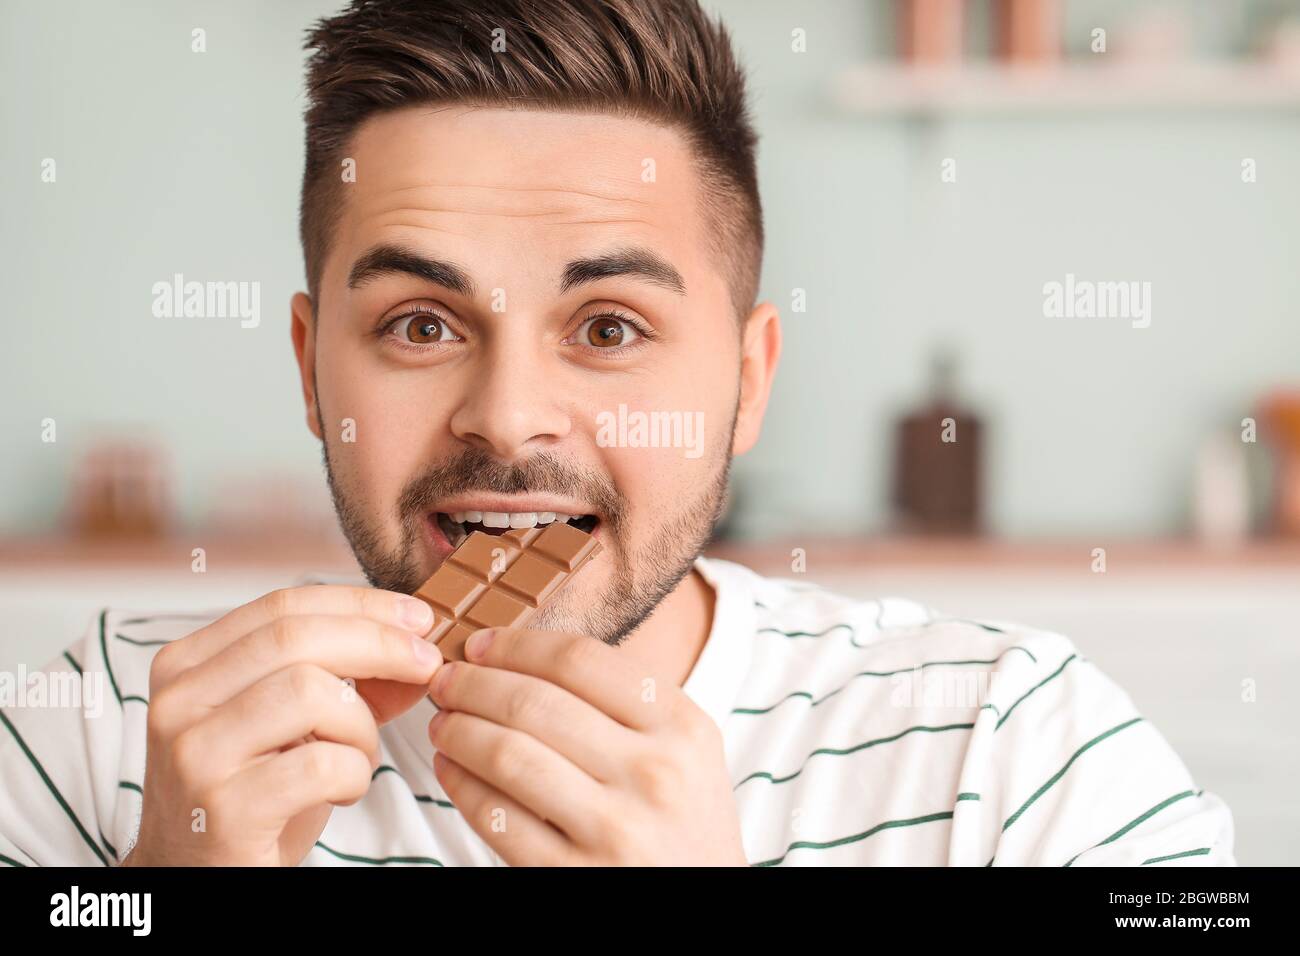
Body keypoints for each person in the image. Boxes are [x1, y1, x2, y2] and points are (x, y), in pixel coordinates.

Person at [0, 0, 1234, 867]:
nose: (507, 416)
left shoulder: (1024, 751)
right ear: (309, 369)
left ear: (748, 384)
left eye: (606, 328)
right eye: (421, 325)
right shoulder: (98, 721)